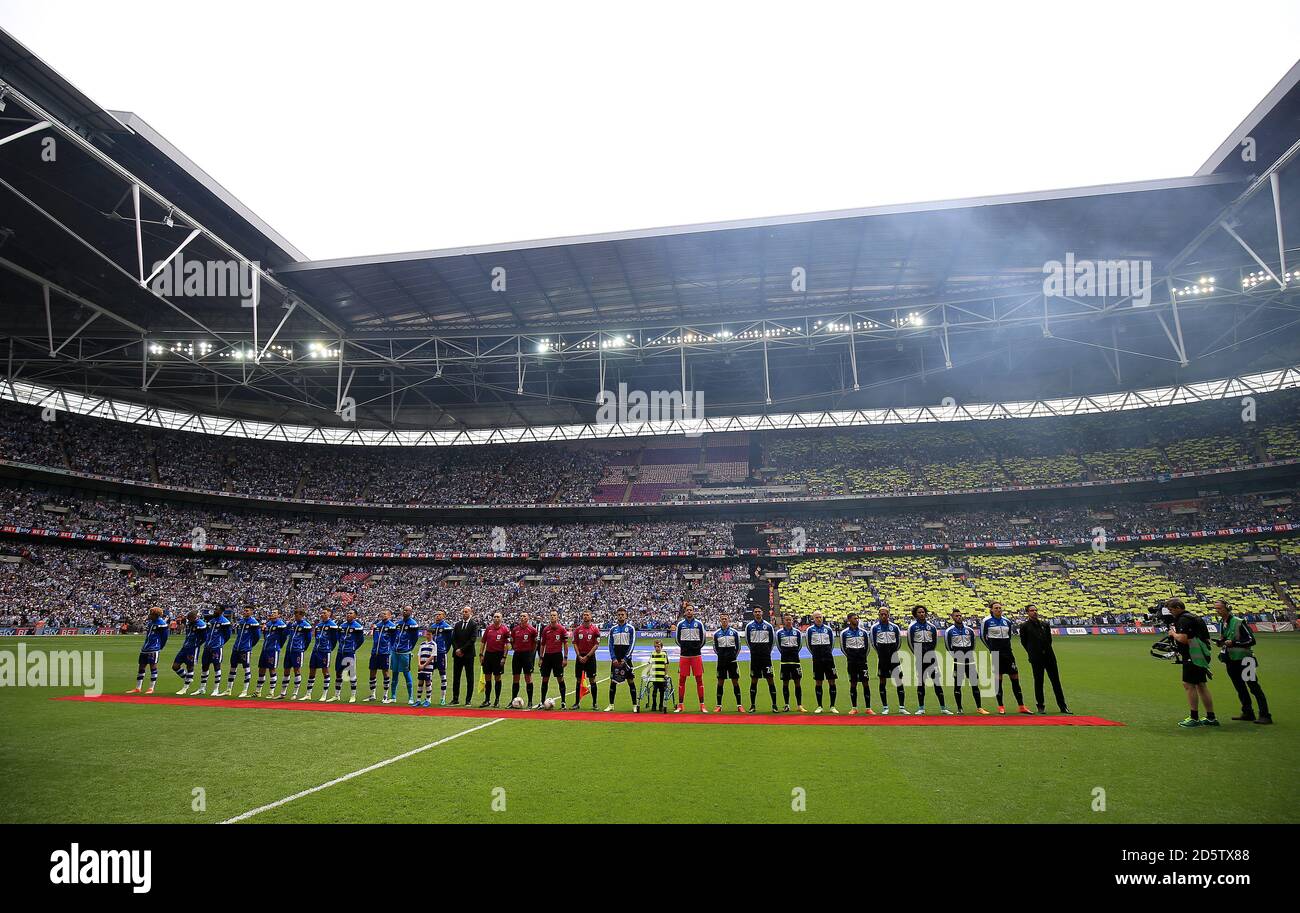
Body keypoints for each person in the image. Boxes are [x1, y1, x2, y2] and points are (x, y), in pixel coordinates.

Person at [1214, 599, 1271, 724]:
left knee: (1253, 687)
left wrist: (1234, 643)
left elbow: (1251, 641)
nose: (1217, 611)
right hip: (1231, 660)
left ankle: (1265, 715)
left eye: (1219, 608)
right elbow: (1226, 638)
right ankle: (1248, 712)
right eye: (1216, 608)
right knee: (1240, 687)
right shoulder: (1222, 622)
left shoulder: (1239, 622)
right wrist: (1221, 642)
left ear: (1227, 608)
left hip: (1246, 660)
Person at [1166, 598, 1218, 728]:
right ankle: (1211, 717)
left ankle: (1194, 717)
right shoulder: (1193, 617)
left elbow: (1183, 639)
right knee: (1201, 684)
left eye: (1171, 610)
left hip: (1193, 654)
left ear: (1178, 607)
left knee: (1188, 684)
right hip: (1201, 653)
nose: (1171, 613)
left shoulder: (1184, 619)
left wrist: (1173, 633)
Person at [980, 602, 1031, 715]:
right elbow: (982, 636)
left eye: (999, 608)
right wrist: (991, 648)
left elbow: (1009, 636)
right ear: (991, 610)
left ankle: (1021, 706)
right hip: (996, 654)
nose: (998, 609)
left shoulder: (1007, 621)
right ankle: (1001, 706)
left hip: (1008, 653)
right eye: (996, 608)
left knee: (1015, 678)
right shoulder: (986, 621)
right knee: (998, 680)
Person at [1018, 604, 1070, 715]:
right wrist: (1032, 653)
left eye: (1036, 610)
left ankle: (1062, 706)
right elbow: (1024, 642)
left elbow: (1049, 640)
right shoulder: (1024, 626)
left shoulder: (1045, 625)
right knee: (1038, 682)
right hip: (1036, 658)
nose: (1035, 612)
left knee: (1056, 681)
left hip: (1049, 656)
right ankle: (1040, 706)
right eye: (1032, 610)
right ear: (1027, 612)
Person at [907, 606, 948, 715]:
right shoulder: (912, 627)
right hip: (919, 657)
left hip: (931, 657)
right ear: (915, 614)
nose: (922, 614)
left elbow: (934, 642)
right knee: (921, 683)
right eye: (919, 612)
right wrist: (917, 654)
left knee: (937, 681)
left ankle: (943, 708)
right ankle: (921, 708)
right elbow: (910, 642)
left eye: (923, 612)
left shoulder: (932, 627)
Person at [945, 609, 985, 715]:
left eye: (960, 615)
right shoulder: (949, 631)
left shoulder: (969, 630)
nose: (959, 617)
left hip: (969, 660)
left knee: (974, 684)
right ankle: (960, 708)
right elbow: (948, 646)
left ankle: (979, 707)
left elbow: (973, 644)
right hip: (958, 661)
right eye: (956, 616)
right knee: (957, 685)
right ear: (952, 618)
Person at [870, 608, 907, 715]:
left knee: (899, 680)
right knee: (882, 681)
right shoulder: (874, 627)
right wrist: (881, 653)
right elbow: (873, 643)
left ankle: (901, 707)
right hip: (882, 659)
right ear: (878, 615)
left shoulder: (894, 627)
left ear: (888, 615)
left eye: (885, 614)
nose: (883, 616)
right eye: (881, 614)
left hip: (894, 658)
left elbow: (899, 642)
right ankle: (885, 707)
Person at [673, 602, 708, 713]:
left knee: (699, 680)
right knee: (682, 680)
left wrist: (696, 648)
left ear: (693, 611)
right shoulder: (680, 625)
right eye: (687, 610)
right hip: (684, 656)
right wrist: (685, 648)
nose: (689, 611)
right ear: (685, 611)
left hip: (696, 655)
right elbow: (677, 640)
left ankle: (702, 705)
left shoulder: (699, 624)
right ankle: (680, 705)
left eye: (691, 610)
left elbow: (703, 639)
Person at [745, 607, 779, 713]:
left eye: (759, 611)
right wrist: (754, 650)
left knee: (770, 680)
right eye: (755, 612)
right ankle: (752, 705)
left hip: (766, 658)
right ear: (753, 613)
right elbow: (747, 641)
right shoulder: (749, 626)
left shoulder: (768, 626)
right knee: (754, 680)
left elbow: (772, 641)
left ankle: (774, 705)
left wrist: (766, 651)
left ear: (762, 613)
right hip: (755, 658)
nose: (757, 613)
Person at [128, 606, 169, 695]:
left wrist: (160, 647)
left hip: (154, 648)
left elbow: (165, 637)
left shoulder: (162, 624)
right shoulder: (151, 622)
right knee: (141, 667)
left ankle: (151, 688)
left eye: (151, 613)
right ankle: (138, 688)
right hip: (145, 648)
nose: (149, 615)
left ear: (155, 615)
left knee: (153, 667)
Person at [194, 606, 232, 697]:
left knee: (216, 666)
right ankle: (202, 688)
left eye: (217, 609)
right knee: (204, 667)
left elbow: (227, 635)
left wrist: (220, 643)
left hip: (216, 647)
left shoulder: (225, 622)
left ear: (222, 611)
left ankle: (216, 689)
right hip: (207, 647)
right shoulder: (212, 621)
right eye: (215, 609)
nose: (215, 611)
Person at [302, 608, 338, 701]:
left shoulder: (333, 625)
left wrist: (329, 648)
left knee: (325, 671)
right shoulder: (319, 625)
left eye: (324, 613)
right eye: (321, 613)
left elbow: (334, 640)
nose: (322, 614)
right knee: (312, 671)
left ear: (329, 614)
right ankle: (308, 694)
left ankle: (324, 694)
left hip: (325, 651)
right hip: (315, 651)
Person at [606, 608, 638, 712]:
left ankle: (634, 705)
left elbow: (632, 644)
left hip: (626, 660)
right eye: (619, 614)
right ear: (617, 616)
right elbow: (610, 644)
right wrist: (613, 658)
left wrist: (625, 658)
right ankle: (611, 705)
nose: (620, 616)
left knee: (630, 681)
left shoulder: (630, 628)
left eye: (622, 614)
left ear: (626, 616)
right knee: (613, 681)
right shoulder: (613, 629)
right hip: (615, 660)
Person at [276, 608, 313, 700]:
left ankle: (295, 693)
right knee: (286, 671)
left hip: (298, 651)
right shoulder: (293, 624)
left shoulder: (306, 625)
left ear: (301, 615)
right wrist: (288, 625)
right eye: (295, 615)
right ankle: (283, 693)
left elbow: (308, 639)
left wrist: (303, 648)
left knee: (297, 670)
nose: (295, 617)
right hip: (289, 650)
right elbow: (285, 634)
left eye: (297, 615)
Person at [839, 612, 872, 715]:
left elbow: (867, 647)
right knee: (853, 683)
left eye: (857, 618)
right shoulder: (844, 633)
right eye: (854, 618)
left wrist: (862, 657)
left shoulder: (864, 632)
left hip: (862, 661)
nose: (856, 620)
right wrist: (850, 656)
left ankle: (868, 708)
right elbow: (843, 647)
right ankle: (854, 708)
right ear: (849, 620)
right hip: (851, 662)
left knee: (865, 683)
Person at [390, 605, 423, 706]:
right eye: (404, 610)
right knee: (394, 673)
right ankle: (393, 696)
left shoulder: (413, 624)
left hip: (405, 652)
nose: (405, 612)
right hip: (395, 651)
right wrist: (393, 646)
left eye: (407, 610)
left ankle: (410, 697)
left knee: (406, 673)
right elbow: (394, 636)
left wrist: (409, 648)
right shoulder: (398, 623)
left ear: (411, 612)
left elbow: (415, 639)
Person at [712, 612, 744, 713]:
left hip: (732, 661)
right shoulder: (717, 634)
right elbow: (715, 648)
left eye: (726, 619)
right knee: (720, 681)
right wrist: (721, 655)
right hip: (721, 661)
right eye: (722, 619)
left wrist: (733, 656)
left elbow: (738, 647)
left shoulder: (734, 633)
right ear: (720, 620)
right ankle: (718, 705)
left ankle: (739, 705)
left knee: (735, 681)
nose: (724, 620)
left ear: (728, 620)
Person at [226, 604, 261, 698]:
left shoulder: (254, 622)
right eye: (245, 610)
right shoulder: (241, 621)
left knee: (246, 668)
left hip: (245, 649)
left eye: (247, 611)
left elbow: (257, 637)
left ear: (252, 612)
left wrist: (250, 645)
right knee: (232, 668)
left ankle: (245, 691)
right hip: (236, 648)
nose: (245, 612)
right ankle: (228, 690)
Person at [805, 611, 837, 713]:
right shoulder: (810, 630)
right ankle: (820, 706)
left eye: (820, 617)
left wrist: (826, 653)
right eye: (817, 617)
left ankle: (832, 706)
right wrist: (816, 654)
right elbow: (809, 645)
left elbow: (832, 644)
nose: (819, 619)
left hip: (828, 659)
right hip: (817, 660)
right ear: (813, 619)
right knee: (818, 681)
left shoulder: (828, 629)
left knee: (832, 680)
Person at [537, 609, 569, 709]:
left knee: (560, 678)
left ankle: (563, 702)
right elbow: (542, 645)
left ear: (557, 617)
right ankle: (542, 702)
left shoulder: (562, 629)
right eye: (551, 615)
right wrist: (541, 658)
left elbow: (566, 644)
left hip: (557, 656)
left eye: (554, 615)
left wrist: (565, 658)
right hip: (547, 656)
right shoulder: (546, 629)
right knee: (545, 678)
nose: (552, 617)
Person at [333, 607, 366, 703]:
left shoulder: (357, 626)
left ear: (355, 615)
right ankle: (336, 695)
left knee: (351, 674)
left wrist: (353, 648)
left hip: (349, 653)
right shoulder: (342, 625)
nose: (348, 614)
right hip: (340, 653)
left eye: (351, 613)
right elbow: (338, 637)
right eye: (347, 613)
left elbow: (361, 640)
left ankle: (353, 696)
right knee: (338, 673)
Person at [479, 611, 510, 708]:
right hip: (488, 655)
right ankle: (487, 700)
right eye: (495, 616)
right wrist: (481, 654)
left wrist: (504, 657)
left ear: (501, 618)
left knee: (497, 677)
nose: (496, 618)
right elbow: (483, 642)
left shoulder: (505, 629)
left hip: (498, 655)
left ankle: (497, 700)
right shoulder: (489, 628)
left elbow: (507, 645)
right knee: (487, 678)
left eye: (498, 617)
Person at [571, 610, 602, 711]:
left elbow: (596, 645)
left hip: (590, 657)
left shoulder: (595, 630)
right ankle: (576, 703)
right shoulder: (577, 630)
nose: (585, 616)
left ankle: (595, 703)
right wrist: (579, 655)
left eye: (587, 615)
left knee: (592, 680)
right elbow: (575, 643)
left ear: (591, 616)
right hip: (580, 657)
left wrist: (587, 656)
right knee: (578, 680)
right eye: (584, 615)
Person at [253, 608, 287, 698]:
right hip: (265, 649)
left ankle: (271, 691)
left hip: (273, 650)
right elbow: (265, 635)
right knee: (261, 669)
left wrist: (278, 646)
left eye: (275, 613)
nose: (272, 614)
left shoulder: (281, 624)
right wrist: (264, 630)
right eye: (272, 612)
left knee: (272, 669)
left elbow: (284, 637)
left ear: (279, 615)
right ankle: (258, 691)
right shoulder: (268, 624)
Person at [775, 613, 805, 713]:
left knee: (797, 682)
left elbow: (800, 645)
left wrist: (793, 652)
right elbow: (779, 646)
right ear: (784, 621)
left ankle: (799, 705)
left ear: (792, 621)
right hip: (784, 661)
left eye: (790, 620)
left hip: (795, 660)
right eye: (786, 620)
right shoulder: (779, 633)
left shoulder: (797, 632)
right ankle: (786, 704)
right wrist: (785, 652)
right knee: (785, 683)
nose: (788, 621)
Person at [449, 606, 478, 706]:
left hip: (468, 655)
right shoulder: (457, 624)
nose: (464, 613)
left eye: (466, 612)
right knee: (456, 677)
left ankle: (468, 700)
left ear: (470, 613)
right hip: (457, 655)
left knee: (469, 678)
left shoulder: (473, 624)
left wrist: (461, 649)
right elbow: (453, 639)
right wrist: (456, 649)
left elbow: (473, 639)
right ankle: (455, 698)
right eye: (463, 612)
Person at [365, 609, 396, 702]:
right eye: (382, 613)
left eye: (385, 614)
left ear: (390, 616)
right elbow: (374, 637)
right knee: (372, 672)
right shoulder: (377, 626)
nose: (383, 615)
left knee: (385, 673)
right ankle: (372, 694)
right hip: (375, 652)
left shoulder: (392, 626)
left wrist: (389, 649)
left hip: (385, 653)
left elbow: (394, 640)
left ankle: (385, 695)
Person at [510, 611, 539, 709]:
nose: (522, 617)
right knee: (515, 677)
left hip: (527, 655)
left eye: (524, 616)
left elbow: (535, 643)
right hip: (517, 655)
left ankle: (530, 701)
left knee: (528, 677)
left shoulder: (532, 630)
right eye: (521, 616)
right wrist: (516, 648)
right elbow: (512, 641)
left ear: (528, 618)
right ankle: (513, 700)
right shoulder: (515, 630)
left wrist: (531, 653)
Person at [172, 610, 205, 694]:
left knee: (190, 667)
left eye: (189, 619)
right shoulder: (190, 624)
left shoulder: (201, 625)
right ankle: (188, 678)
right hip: (185, 647)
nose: (188, 620)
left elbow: (205, 637)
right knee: (175, 666)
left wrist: (197, 644)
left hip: (193, 648)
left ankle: (185, 688)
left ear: (194, 617)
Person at [428, 609, 454, 705]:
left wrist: (444, 650)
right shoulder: (432, 626)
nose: (437, 616)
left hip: (441, 654)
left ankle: (443, 698)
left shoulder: (447, 627)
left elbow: (449, 641)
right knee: (429, 675)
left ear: (444, 616)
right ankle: (428, 697)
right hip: (431, 654)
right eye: (436, 614)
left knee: (442, 675)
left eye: (439, 615)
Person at [416, 628, 439, 708]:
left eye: (429, 634)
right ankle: (418, 700)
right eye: (426, 634)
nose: (427, 636)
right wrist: (419, 664)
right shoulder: (422, 644)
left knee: (428, 682)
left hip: (428, 666)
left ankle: (428, 700)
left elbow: (432, 656)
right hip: (421, 666)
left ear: (432, 635)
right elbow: (419, 654)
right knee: (420, 682)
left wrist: (424, 665)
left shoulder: (434, 644)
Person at [648, 640, 670, 712]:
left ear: (661, 647)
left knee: (662, 692)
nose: (657, 648)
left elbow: (666, 665)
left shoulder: (664, 654)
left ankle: (661, 705)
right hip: (655, 676)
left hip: (662, 677)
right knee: (654, 692)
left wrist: (666, 674)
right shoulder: (652, 654)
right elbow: (650, 664)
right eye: (655, 647)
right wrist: (648, 673)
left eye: (658, 647)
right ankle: (654, 705)